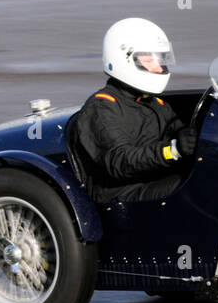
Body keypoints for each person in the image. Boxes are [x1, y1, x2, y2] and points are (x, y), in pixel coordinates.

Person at [67, 18, 197, 202]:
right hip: (120, 194)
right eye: (150, 60)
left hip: (152, 179)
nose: (159, 67)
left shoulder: (155, 103)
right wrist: (172, 150)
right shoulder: (102, 107)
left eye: (161, 60)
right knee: (198, 186)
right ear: (125, 59)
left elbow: (179, 133)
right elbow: (120, 162)